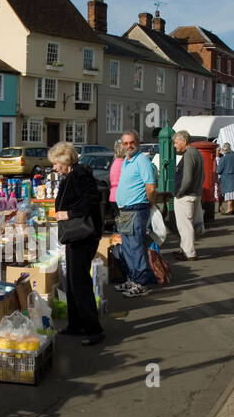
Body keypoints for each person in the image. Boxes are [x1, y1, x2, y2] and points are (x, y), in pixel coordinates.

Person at [50, 142, 104, 346]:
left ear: (65, 161)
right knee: (72, 279)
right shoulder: (72, 175)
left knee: (79, 281)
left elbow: (91, 199)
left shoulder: (80, 173)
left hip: (83, 235)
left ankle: (93, 328)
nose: (54, 167)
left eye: (56, 163)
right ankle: (76, 324)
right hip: (75, 235)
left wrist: (69, 213)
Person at [113, 130, 157, 298]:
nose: (129, 146)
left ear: (137, 143)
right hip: (125, 209)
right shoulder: (126, 160)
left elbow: (151, 186)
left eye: (131, 142)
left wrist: (150, 202)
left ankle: (142, 283)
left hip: (137, 209)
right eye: (125, 143)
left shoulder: (142, 160)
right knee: (127, 247)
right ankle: (132, 279)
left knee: (136, 247)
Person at [172, 131, 203, 261]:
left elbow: (188, 178)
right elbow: (202, 175)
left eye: (176, 142)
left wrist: (179, 193)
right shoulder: (196, 153)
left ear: (184, 141)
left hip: (186, 196)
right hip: (195, 194)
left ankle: (189, 253)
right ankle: (183, 249)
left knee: (185, 226)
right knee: (187, 224)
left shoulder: (189, 154)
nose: (174, 145)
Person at [216, 142, 234, 214]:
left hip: (227, 179)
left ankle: (229, 210)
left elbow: (219, 170)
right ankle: (232, 209)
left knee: (230, 195)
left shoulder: (224, 158)